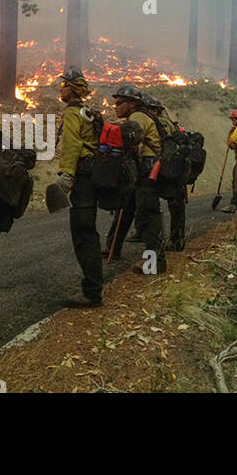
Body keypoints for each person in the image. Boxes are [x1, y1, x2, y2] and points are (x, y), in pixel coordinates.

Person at [56, 67, 104, 309]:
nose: (60, 89)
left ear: (72, 88)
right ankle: (93, 287)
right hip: (93, 173)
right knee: (89, 231)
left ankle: (92, 292)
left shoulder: (74, 113)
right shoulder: (88, 111)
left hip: (83, 177)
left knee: (83, 232)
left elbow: (73, 145)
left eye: (63, 85)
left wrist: (67, 175)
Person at [106, 85, 166, 274]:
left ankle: (154, 263)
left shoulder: (138, 117)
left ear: (132, 103)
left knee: (147, 217)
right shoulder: (142, 116)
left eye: (119, 103)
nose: (115, 107)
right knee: (127, 208)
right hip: (142, 172)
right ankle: (112, 249)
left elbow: (130, 139)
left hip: (147, 173)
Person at [143, 94, 188, 252]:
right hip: (175, 167)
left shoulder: (155, 123)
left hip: (162, 167)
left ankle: (154, 244)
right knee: (176, 205)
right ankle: (178, 239)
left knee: (151, 206)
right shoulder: (171, 123)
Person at [221, 109, 237, 213]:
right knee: (236, 179)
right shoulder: (234, 130)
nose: (233, 121)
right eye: (232, 119)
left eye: (235, 119)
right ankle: (236, 202)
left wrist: (235, 143)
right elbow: (231, 145)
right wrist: (232, 140)